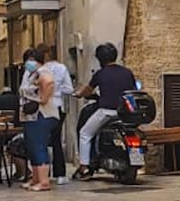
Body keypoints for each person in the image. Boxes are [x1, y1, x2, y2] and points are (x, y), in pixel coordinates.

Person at [75, 42, 137, 175]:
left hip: (107, 111)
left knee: (85, 133)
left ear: (100, 59)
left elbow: (88, 90)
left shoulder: (100, 74)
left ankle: (84, 166)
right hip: (126, 112)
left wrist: (79, 94)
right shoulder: (127, 72)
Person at [17, 47, 60, 193]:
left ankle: (43, 181)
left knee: (39, 145)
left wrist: (43, 98)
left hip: (42, 114)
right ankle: (35, 178)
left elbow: (48, 82)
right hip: (30, 116)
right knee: (32, 146)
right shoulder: (31, 74)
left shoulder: (43, 72)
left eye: (31, 60)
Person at [38, 44, 75, 181]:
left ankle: (43, 173)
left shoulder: (40, 70)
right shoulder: (61, 68)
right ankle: (60, 174)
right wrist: (58, 90)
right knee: (56, 139)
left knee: (41, 140)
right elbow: (69, 89)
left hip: (43, 106)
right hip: (58, 106)